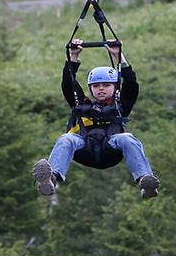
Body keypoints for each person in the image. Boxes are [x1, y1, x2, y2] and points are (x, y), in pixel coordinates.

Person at [32, 39, 160, 198]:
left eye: (106, 85)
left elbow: (131, 84)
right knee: (66, 139)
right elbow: (68, 83)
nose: (101, 89)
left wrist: (120, 57)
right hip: (84, 149)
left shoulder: (121, 105)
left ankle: (145, 180)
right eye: (96, 86)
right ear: (91, 88)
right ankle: (50, 179)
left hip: (111, 150)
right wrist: (73, 57)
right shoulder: (81, 104)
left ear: (115, 87)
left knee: (127, 138)